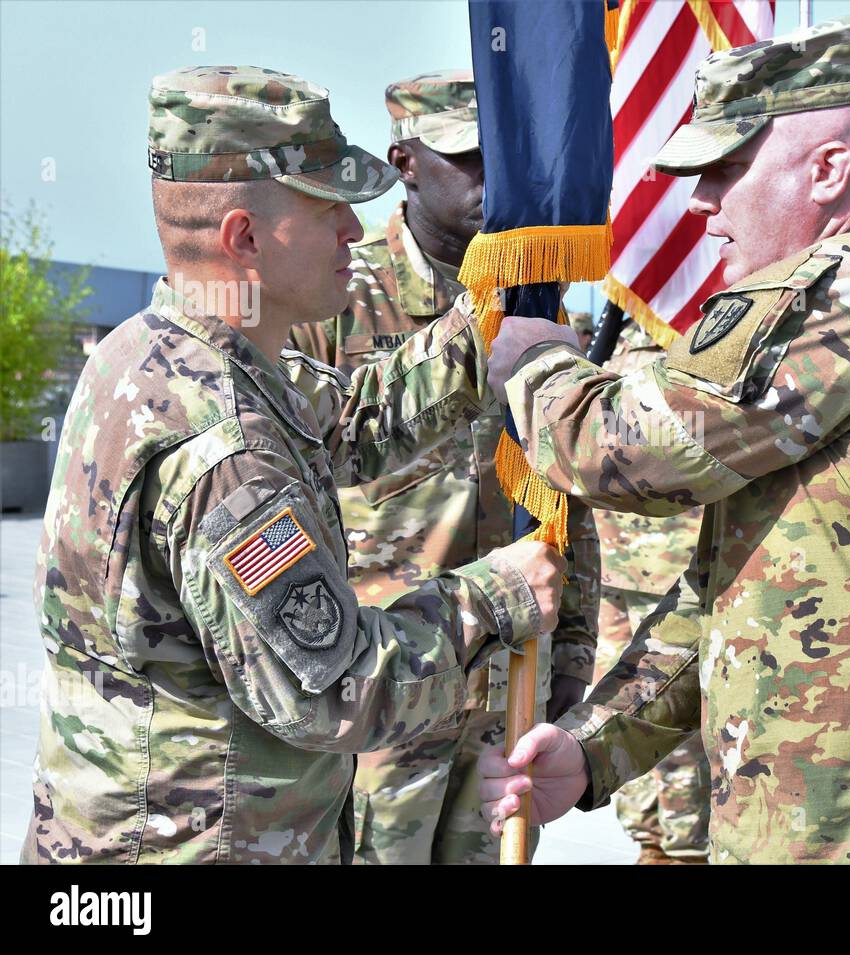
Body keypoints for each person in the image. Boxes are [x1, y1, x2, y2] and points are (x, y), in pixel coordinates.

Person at [477, 16, 850, 864]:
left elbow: (627, 450)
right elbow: (733, 597)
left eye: (724, 170)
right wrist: (595, 748)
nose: (699, 205)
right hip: (844, 822)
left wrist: (536, 359)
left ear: (830, 169)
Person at [22, 65, 563, 865]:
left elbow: (347, 418)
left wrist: (477, 347)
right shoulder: (223, 448)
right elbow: (334, 687)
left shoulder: (159, 352)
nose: (355, 228)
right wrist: (497, 594)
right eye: (328, 208)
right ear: (244, 237)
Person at [287, 72, 598, 865]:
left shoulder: (535, 301)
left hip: (499, 686)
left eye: (504, 159)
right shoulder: (333, 300)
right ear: (406, 161)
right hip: (381, 692)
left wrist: (569, 663)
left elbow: (567, 497)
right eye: (466, 157)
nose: (494, 182)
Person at [588, 321, 708, 864]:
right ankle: (650, 840)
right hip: (617, 561)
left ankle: (682, 847)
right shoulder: (621, 329)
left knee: (674, 710)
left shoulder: (706, 334)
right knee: (621, 697)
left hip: (680, 564)